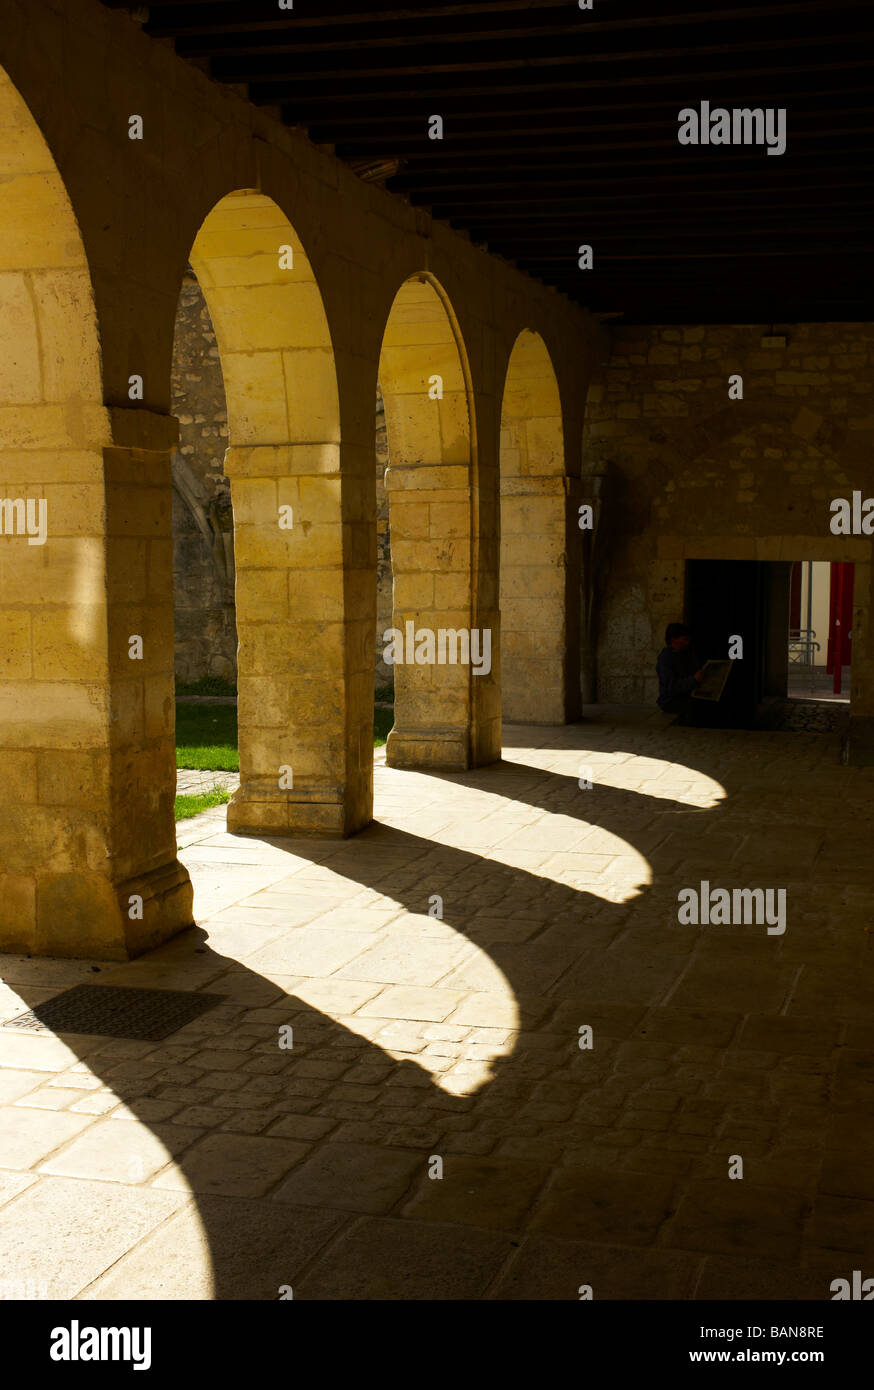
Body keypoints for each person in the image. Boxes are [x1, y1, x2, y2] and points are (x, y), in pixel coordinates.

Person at [656, 622, 704, 716]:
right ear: (673, 639)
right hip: (671, 700)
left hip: (687, 696)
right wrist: (694, 680)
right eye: (684, 639)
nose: (687, 642)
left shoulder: (688, 653)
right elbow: (671, 686)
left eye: (688, 639)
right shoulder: (666, 657)